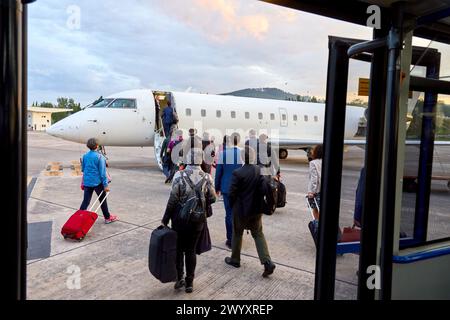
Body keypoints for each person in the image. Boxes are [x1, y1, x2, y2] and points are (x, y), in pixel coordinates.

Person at [161, 148, 216, 293]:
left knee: (179, 250)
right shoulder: (207, 177)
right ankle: (190, 283)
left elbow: (172, 200)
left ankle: (180, 278)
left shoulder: (179, 175)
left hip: (180, 219)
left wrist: (165, 219)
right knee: (191, 250)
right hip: (198, 220)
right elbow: (213, 198)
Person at [224, 146, 276, 277]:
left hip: (240, 210)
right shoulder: (259, 170)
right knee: (258, 234)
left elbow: (231, 193)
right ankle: (267, 262)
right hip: (256, 210)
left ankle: (235, 259)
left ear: (242, 158)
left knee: (237, 233)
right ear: (253, 157)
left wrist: (232, 206)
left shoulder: (237, 173)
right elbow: (265, 189)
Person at [80, 138, 118, 224]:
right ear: (97, 146)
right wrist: (105, 185)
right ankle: (107, 218)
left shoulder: (85, 156)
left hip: (87, 182)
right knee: (102, 200)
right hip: (97, 183)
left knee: (86, 201)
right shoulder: (100, 157)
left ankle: (80, 218)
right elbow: (102, 173)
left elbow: (83, 169)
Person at [215, 133, 243, 249]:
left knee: (229, 214)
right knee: (239, 214)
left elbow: (218, 173)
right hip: (240, 188)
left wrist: (217, 188)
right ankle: (238, 238)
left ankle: (230, 240)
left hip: (227, 188)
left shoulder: (223, 154)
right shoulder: (243, 153)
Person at [307, 144, 323, 222]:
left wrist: (311, 192)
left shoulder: (313, 163)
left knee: (315, 209)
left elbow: (314, 179)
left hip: (317, 191)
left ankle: (318, 227)